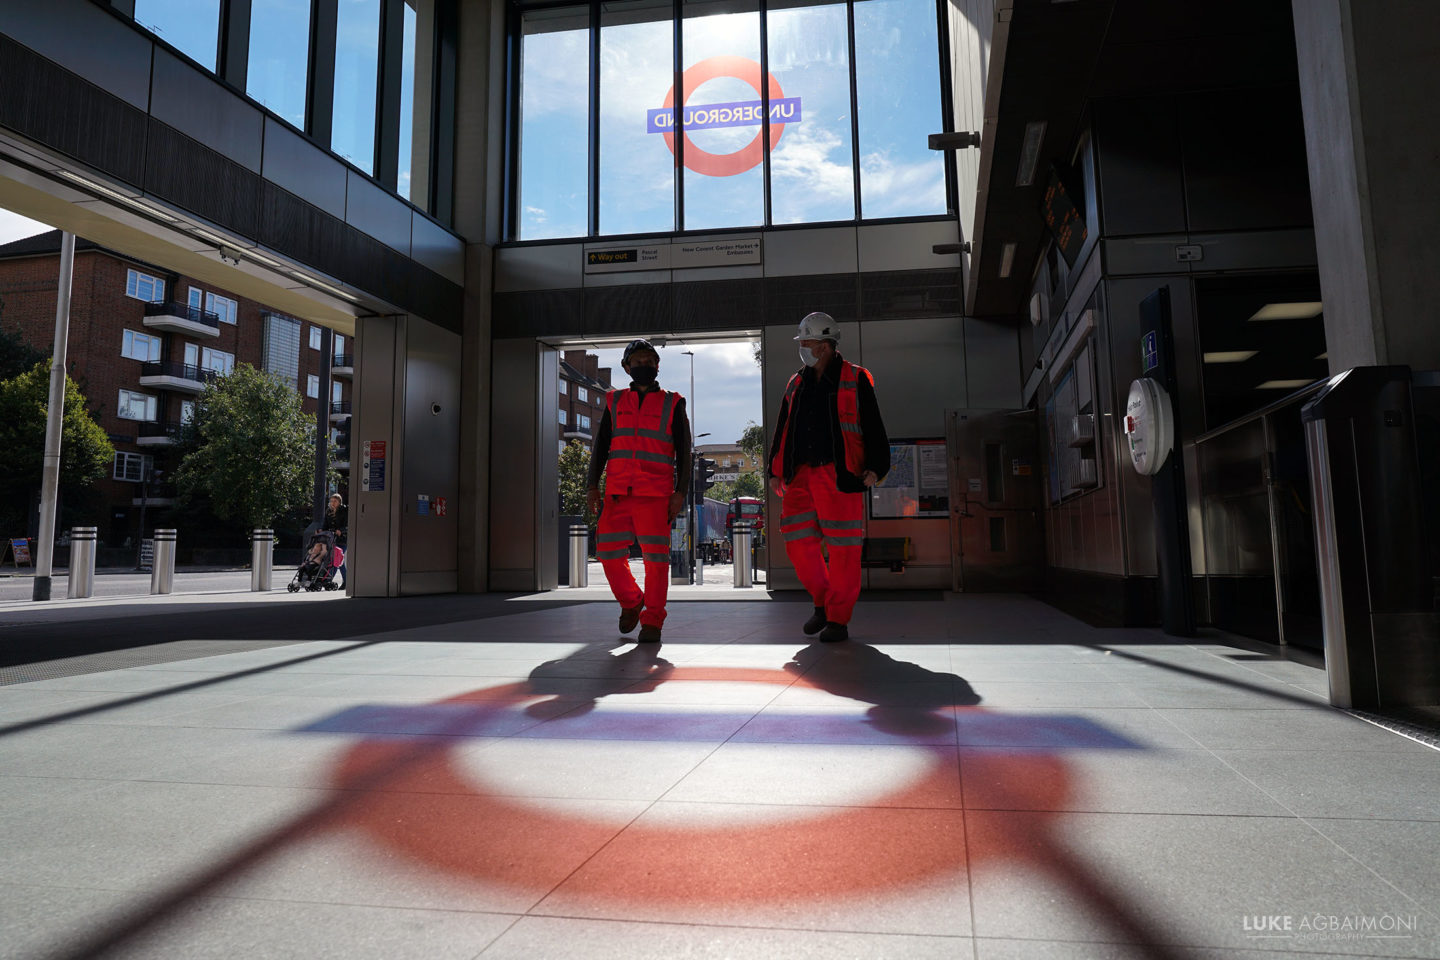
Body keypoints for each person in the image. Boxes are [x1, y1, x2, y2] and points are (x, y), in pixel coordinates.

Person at [768, 312, 889, 642]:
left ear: (824, 346)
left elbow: (873, 425)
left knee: (844, 551)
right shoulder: (796, 382)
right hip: (801, 475)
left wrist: (877, 467)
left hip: (840, 474)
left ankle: (837, 619)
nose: (802, 348)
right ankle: (823, 602)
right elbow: (782, 428)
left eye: (806, 342)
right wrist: (774, 471)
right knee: (796, 543)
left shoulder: (855, 378)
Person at [586, 339, 690, 643]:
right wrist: (592, 485)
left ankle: (653, 620)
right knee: (607, 553)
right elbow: (601, 447)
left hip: (656, 495)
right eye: (638, 361)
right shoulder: (614, 401)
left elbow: (684, 451)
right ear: (626, 367)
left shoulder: (673, 402)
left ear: (657, 365)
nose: (644, 365)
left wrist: (680, 492)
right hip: (617, 493)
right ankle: (632, 600)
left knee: (656, 561)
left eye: (649, 361)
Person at [322, 493, 348, 586]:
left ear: (339, 502)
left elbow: (348, 524)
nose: (333, 503)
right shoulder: (328, 511)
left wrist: (341, 530)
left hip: (342, 539)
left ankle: (328, 579)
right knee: (339, 561)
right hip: (331, 538)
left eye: (335, 501)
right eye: (331, 501)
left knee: (336, 559)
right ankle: (346, 582)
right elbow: (325, 524)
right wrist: (321, 530)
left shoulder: (344, 510)